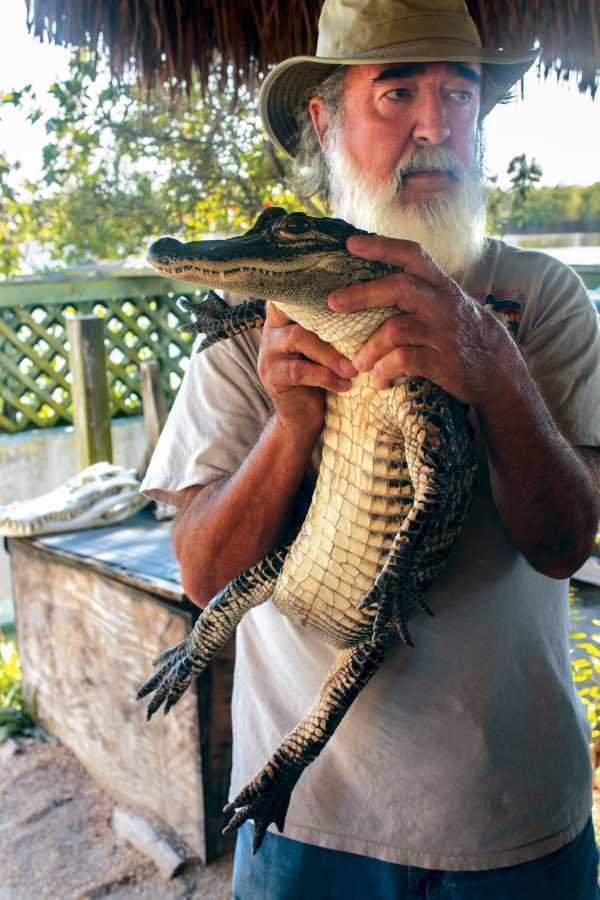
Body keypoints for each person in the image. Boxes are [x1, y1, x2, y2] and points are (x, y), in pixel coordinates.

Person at [141, 0, 600, 896]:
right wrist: (293, 421)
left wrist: (493, 371)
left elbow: (565, 544)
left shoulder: (541, 297)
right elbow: (204, 574)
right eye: (396, 92)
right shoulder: (258, 311)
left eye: (458, 93)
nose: (435, 126)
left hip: (514, 819)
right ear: (325, 117)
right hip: (306, 824)